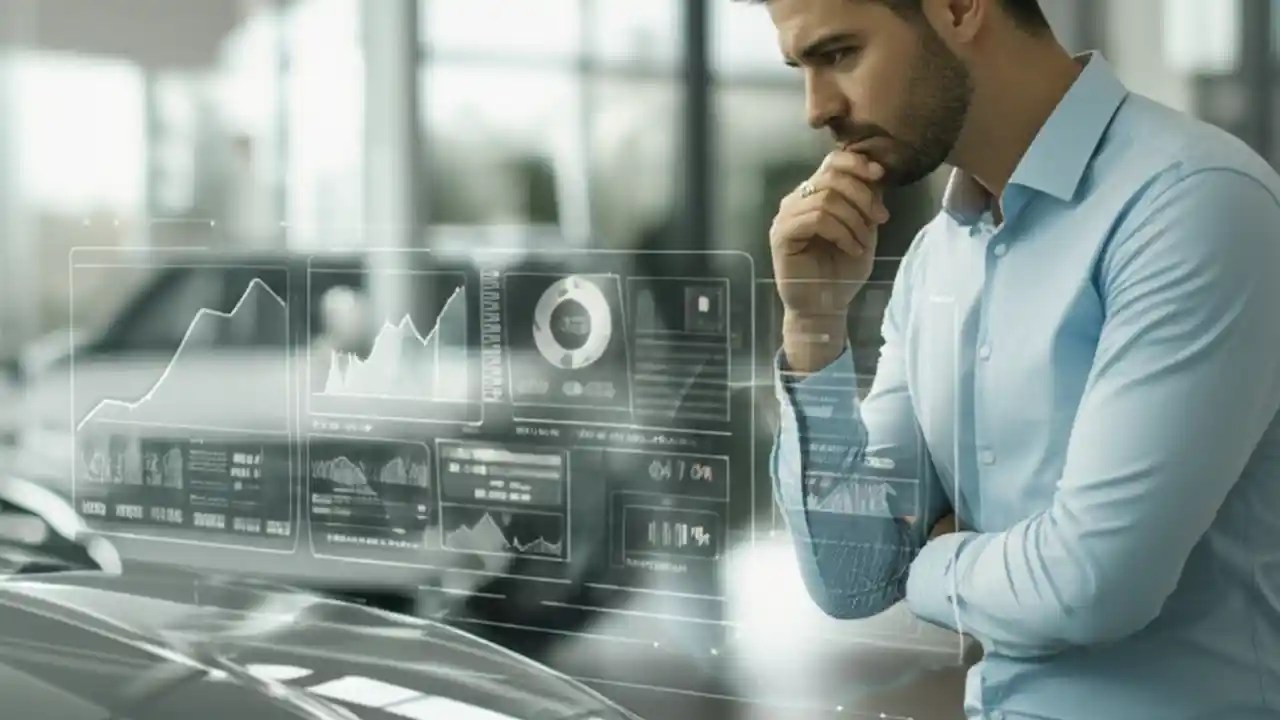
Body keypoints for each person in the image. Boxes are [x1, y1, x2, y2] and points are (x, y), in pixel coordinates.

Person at [743, 0, 1280, 718]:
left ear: (962, 9)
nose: (816, 109)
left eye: (839, 54)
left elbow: (1089, 587)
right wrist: (813, 329)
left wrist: (928, 560)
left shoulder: (1193, 204)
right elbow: (852, 575)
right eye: (801, 68)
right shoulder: (936, 261)